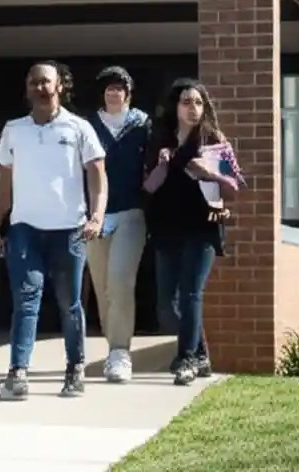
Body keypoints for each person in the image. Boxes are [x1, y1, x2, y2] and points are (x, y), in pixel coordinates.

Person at [0, 61, 107, 400]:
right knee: (26, 300)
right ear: (27, 88)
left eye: (46, 82)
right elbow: (3, 185)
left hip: (69, 229)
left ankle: (75, 369)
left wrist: (96, 216)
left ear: (60, 87)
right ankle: (18, 374)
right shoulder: (14, 130)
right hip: (24, 228)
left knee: (70, 303)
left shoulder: (79, 127)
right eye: (33, 82)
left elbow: (97, 175)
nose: (40, 88)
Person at [143, 78, 242, 386]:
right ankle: (200, 354)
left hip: (203, 227)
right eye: (186, 102)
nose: (193, 108)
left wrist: (209, 172)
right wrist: (162, 166)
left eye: (198, 102)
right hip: (166, 227)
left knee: (190, 294)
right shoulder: (160, 140)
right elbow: (147, 187)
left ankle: (185, 358)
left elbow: (236, 187)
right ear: (176, 107)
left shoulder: (214, 140)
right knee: (167, 304)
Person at [84, 66, 151, 383]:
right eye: (109, 87)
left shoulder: (143, 124)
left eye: (120, 87)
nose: (114, 92)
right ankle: (113, 347)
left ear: (129, 91)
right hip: (94, 217)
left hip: (131, 214)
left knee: (121, 280)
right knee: (103, 287)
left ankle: (121, 351)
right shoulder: (87, 126)